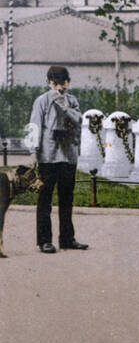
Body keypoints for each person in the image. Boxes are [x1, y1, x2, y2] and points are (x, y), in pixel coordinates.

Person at [27, 66, 87, 254]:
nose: (60, 87)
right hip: (48, 155)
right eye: (56, 83)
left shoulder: (72, 100)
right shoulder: (42, 100)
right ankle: (44, 241)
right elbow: (34, 125)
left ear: (68, 82)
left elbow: (79, 121)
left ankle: (67, 239)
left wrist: (65, 108)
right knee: (45, 198)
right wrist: (32, 151)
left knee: (67, 198)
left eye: (64, 83)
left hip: (68, 155)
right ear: (49, 83)